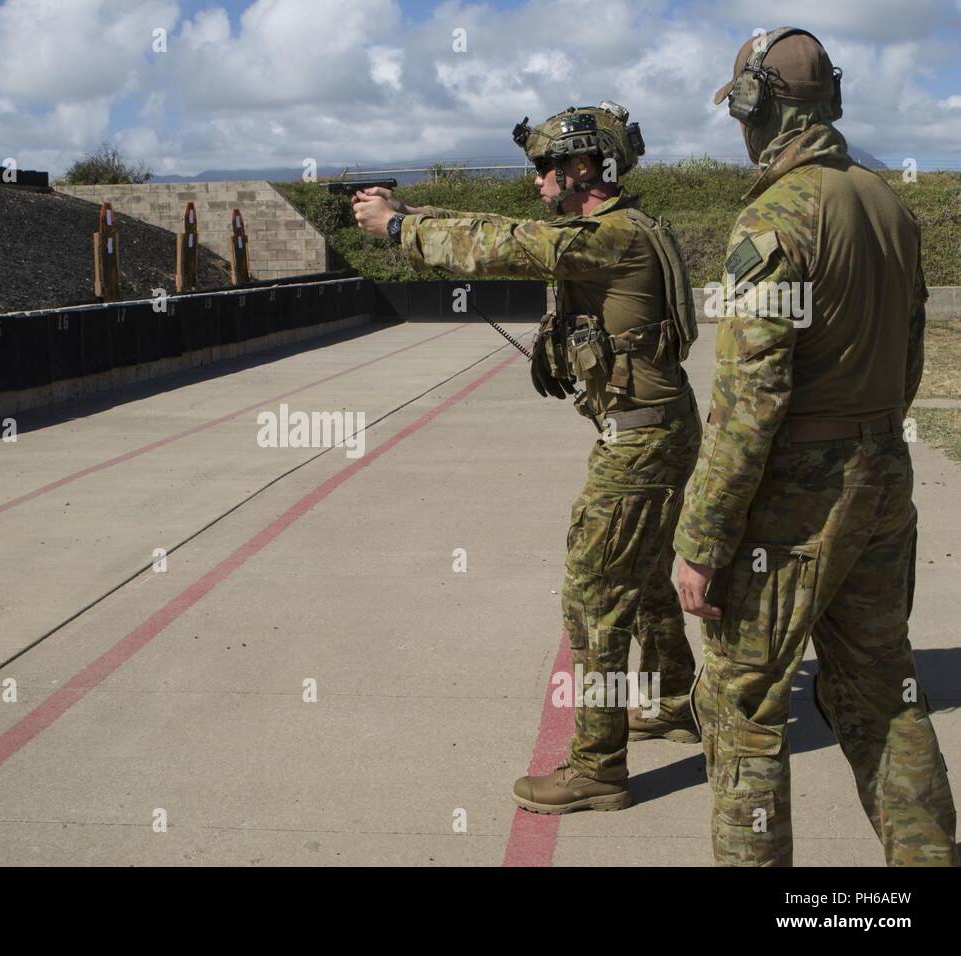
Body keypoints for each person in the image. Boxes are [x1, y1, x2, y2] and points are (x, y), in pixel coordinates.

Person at [353, 103, 701, 813]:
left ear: (584, 167)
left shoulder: (610, 237)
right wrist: (411, 209)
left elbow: (509, 245)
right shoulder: (630, 227)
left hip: (638, 438)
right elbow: (523, 234)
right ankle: (671, 700)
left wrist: (396, 226)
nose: (538, 180)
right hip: (652, 427)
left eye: (546, 166)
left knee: (594, 596)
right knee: (641, 577)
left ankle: (598, 767)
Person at [674, 27, 959, 866]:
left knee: (742, 708)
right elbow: (906, 358)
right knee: (883, 691)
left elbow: (748, 401)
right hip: (882, 473)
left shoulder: (776, 215)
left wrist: (702, 538)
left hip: (796, 498)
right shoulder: (887, 205)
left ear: (759, 106)